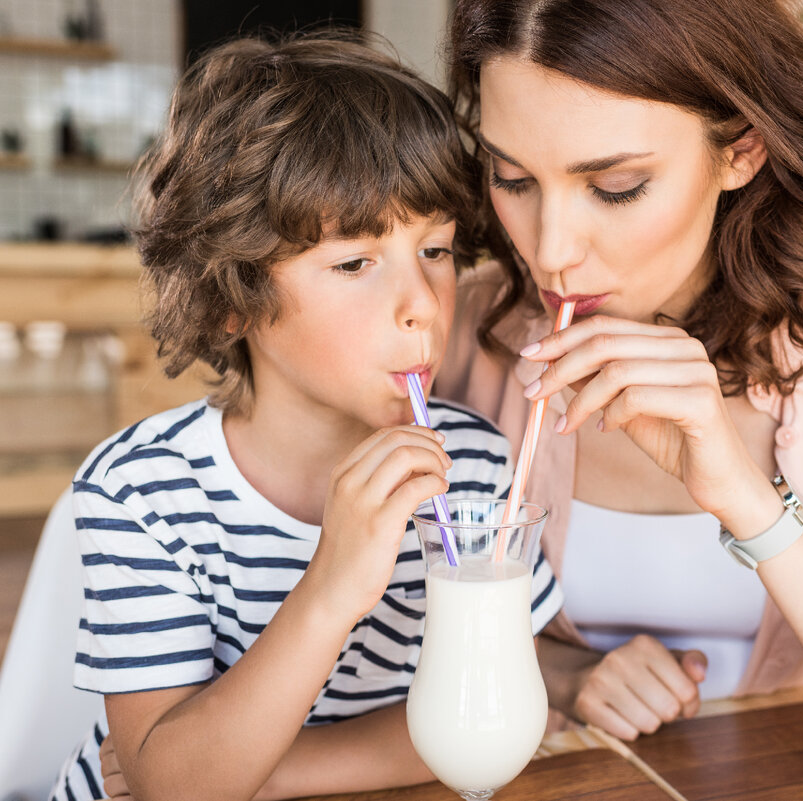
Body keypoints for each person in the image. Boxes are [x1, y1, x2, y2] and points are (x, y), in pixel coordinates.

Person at [438, 0, 803, 795]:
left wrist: (748, 501)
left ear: (741, 148)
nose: (551, 251)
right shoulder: (462, 329)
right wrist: (567, 672)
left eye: (614, 186)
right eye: (511, 177)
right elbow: (385, 638)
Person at [50, 31, 562, 801]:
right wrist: (331, 587)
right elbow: (175, 785)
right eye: (355, 263)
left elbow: (482, 716)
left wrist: (265, 774)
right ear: (231, 300)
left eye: (438, 250)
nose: (422, 305)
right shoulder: (145, 494)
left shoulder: (475, 466)